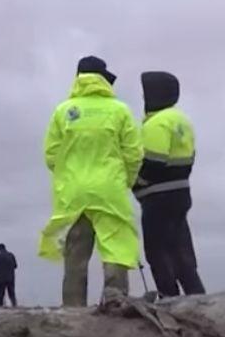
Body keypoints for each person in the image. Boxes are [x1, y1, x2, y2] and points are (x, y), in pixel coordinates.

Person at [39, 56, 143, 306]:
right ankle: (116, 305)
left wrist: (68, 177)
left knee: (75, 257)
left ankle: (73, 313)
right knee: (116, 249)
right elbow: (134, 154)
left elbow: (51, 155)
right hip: (109, 190)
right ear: (103, 80)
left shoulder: (63, 111)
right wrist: (124, 181)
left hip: (74, 193)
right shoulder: (120, 110)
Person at [133, 70, 206, 298]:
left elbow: (154, 162)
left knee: (157, 252)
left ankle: (170, 300)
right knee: (182, 251)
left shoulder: (156, 124)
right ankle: (198, 297)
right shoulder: (182, 121)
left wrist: (135, 182)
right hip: (181, 193)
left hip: (157, 197)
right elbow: (190, 158)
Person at [0, 243, 18, 307]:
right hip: (11, 278)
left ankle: (0, 305)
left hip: (2, 278)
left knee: (1, 293)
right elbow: (15, 266)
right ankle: (14, 304)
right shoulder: (11, 255)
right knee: (11, 292)